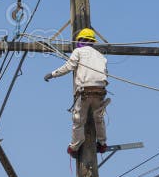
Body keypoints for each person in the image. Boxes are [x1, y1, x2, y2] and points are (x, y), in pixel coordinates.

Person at [44, 28, 111, 158]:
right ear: (92, 41)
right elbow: (105, 74)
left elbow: (68, 67)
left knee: (78, 120)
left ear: (80, 40)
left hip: (85, 91)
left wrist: (52, 74)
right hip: (100, 91)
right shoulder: (101, 56)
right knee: (99, 118)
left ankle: (75, 147)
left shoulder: (78, 51)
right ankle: (102, 143)